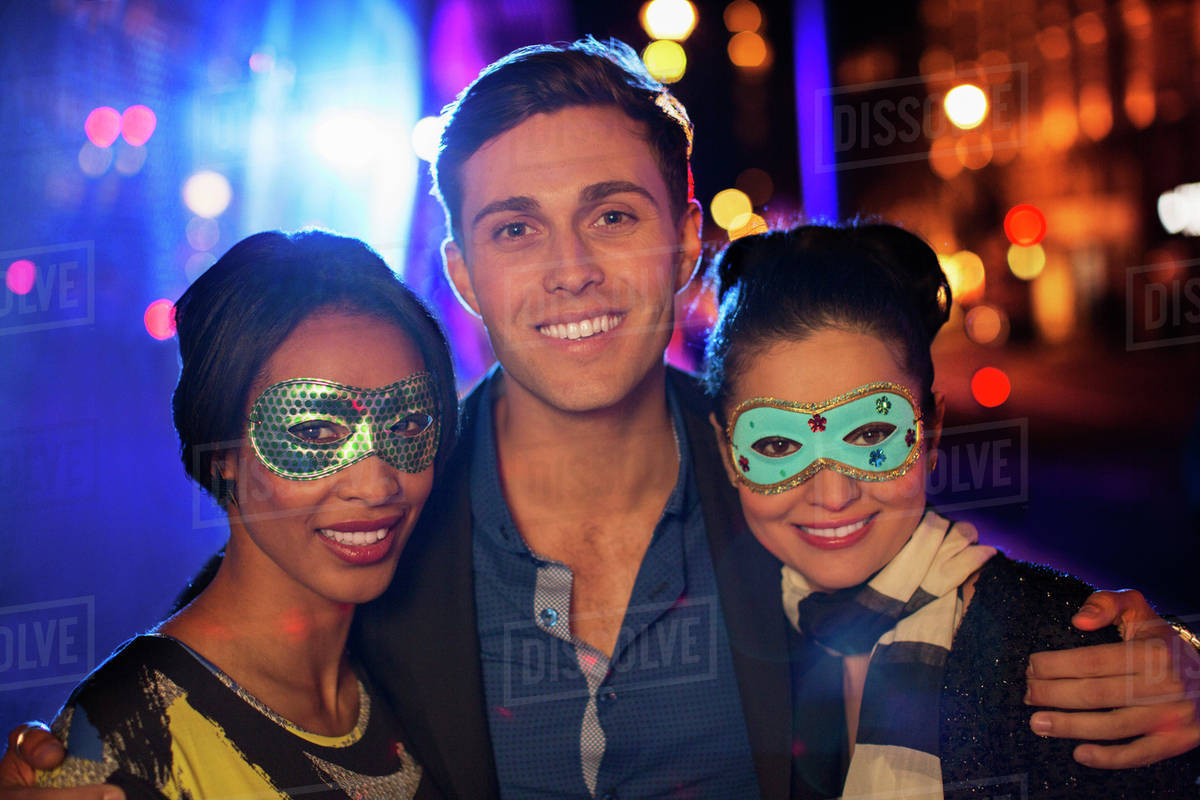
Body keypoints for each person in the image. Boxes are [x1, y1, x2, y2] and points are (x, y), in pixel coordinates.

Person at [5, 37, 1198, 800]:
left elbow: (990, 610)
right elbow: (225, 662)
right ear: (465, 272)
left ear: (687, 240)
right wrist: (81, 757)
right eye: (516, 228)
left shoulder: (786, 481)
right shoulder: (384, 513)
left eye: (613, 215)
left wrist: (1174, 667)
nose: (569, 267)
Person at [703, 222, 1200, 797]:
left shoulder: (1076, 657)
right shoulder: (730, 651)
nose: (833, 494)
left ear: (930, 430)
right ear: (726, 452)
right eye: (777, 445)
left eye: (868, 433)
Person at [17, 231, 457, 799]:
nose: (376, 485)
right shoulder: (132, 734)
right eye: (317, 432)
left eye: (408, 426)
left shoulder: (415, 670)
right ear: (223, 453)